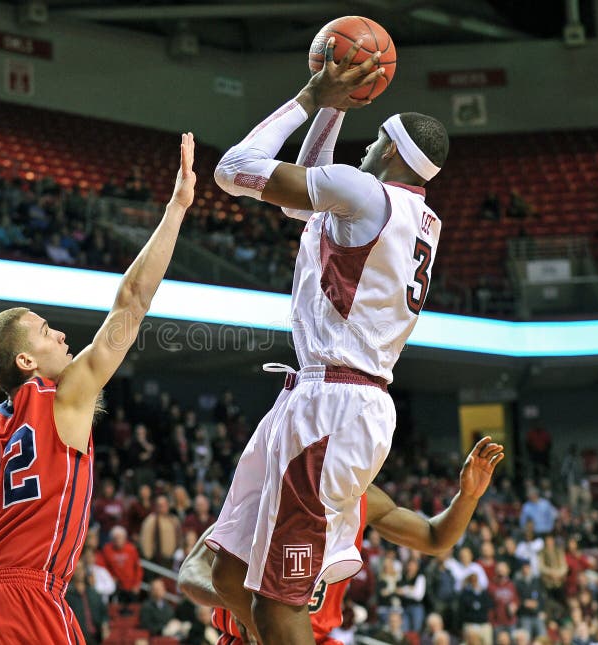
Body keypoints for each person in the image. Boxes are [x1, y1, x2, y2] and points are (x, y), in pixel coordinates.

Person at [0, 133, 197, 645]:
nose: (62, 334)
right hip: (28, 601)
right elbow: (131, 301)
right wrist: (176, 209)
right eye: (46, 331)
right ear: (26, 361)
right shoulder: (64, 396)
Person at [207, 37, 449, 645]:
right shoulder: (405, 211)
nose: (363, 147)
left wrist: (309, 98)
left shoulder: (366, 194)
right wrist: (337, 108)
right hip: (324, 397)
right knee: (237, 578)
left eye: (374, 140)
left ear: (390, 149)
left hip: (336, 406)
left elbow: (233, 170)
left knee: (283, 601)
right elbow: (316, 185)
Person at [180, 438, 504, 645]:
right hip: (249, 637)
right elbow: (191, 572)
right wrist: (236, 604)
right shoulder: (270, 495)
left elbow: (435, 537)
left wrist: (468, 496)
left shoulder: (364, 500)